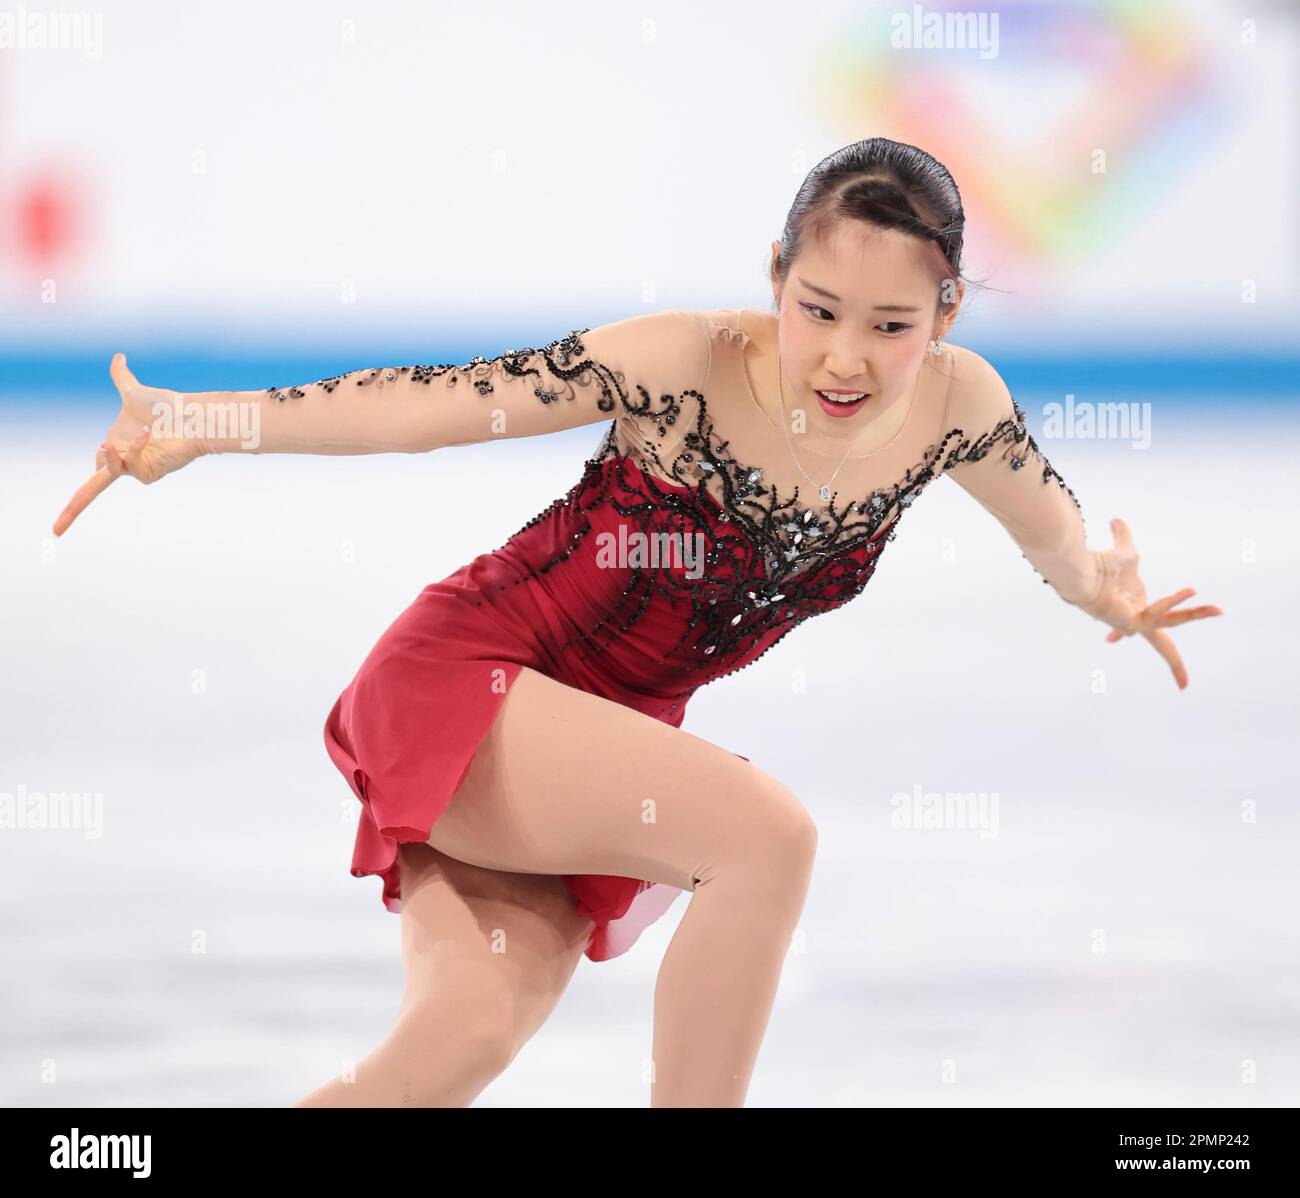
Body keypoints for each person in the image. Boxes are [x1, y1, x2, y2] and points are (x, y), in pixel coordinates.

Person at [51, 138, 1221, 1107]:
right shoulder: (683, 364)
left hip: (591, 762)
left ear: (948, 310)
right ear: (775, 275)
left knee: (453, 1045)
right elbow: (428, 407)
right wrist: (204, 421)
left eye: (892, 325)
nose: (846, 356)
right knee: (768, 838)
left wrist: (1107, 592)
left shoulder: (961, 410)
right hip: (471, 682)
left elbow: (1053, 536)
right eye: (817, 309)